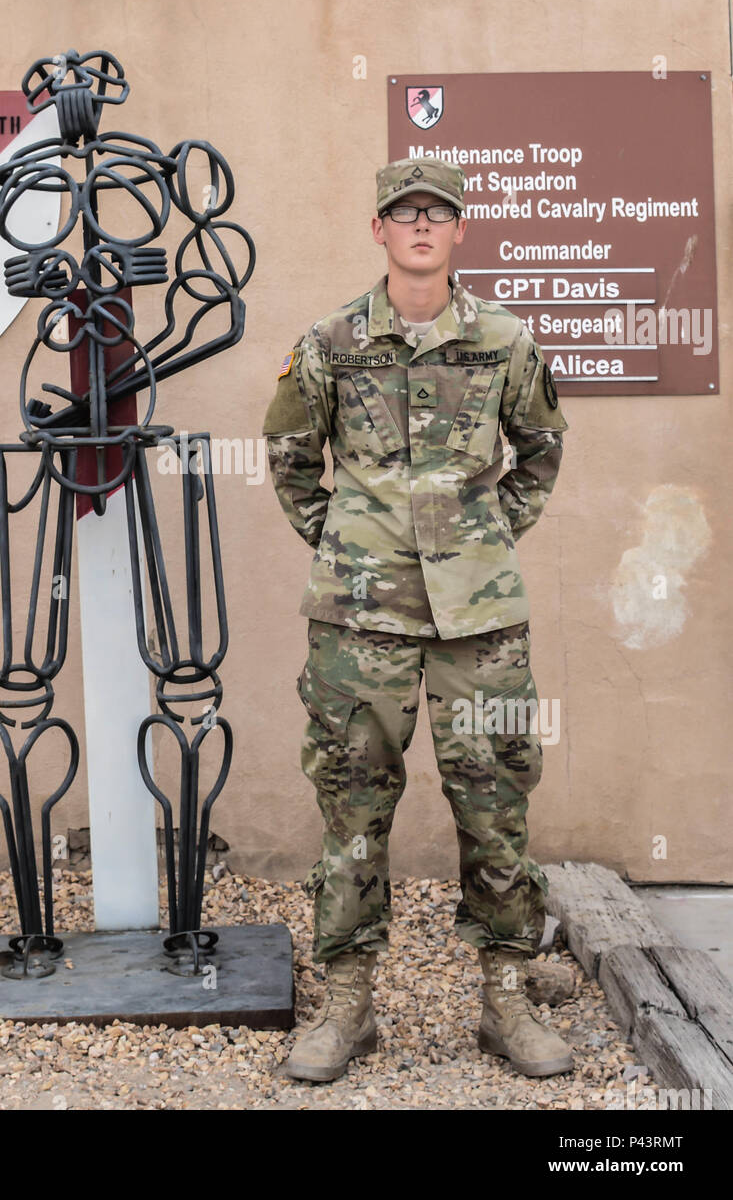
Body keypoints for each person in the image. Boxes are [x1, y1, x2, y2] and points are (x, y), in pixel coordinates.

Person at [262, 157, 571, 1084]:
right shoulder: (328, 343)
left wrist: (481, 537)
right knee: (353, 804)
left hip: (480, 621)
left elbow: (541, 452)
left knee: (495, 800)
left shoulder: (507, 342)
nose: (422, 226)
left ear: (460, 231)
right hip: (360, 621)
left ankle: (504, 999)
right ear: (380, 230)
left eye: (438, 213)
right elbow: (286, 456)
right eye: (405, 214)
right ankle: (350, 1004)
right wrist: (346, 547)